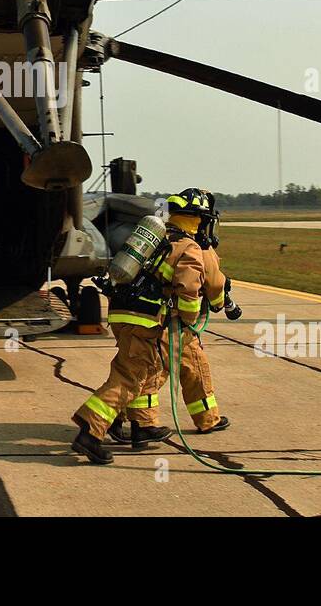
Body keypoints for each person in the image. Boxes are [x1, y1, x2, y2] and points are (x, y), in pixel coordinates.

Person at [69, 188, 215, 464]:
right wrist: (188, 322)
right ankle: (90, 431)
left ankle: (134, 426)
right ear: (195, 219)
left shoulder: (157, 238)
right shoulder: (189, 249)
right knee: (129, 378)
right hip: (146, 322)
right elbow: (188, 291)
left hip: (122, 316)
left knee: (136, 372)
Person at [112, 189, 232, 440]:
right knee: (151, 371)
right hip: (168, 322)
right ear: (200, 219)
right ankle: (139, 425)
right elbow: (213, 288)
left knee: (141, 367)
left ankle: (207, 418)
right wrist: (217, 305)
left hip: (130, 312)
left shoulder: (157, 238)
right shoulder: (196, 247)